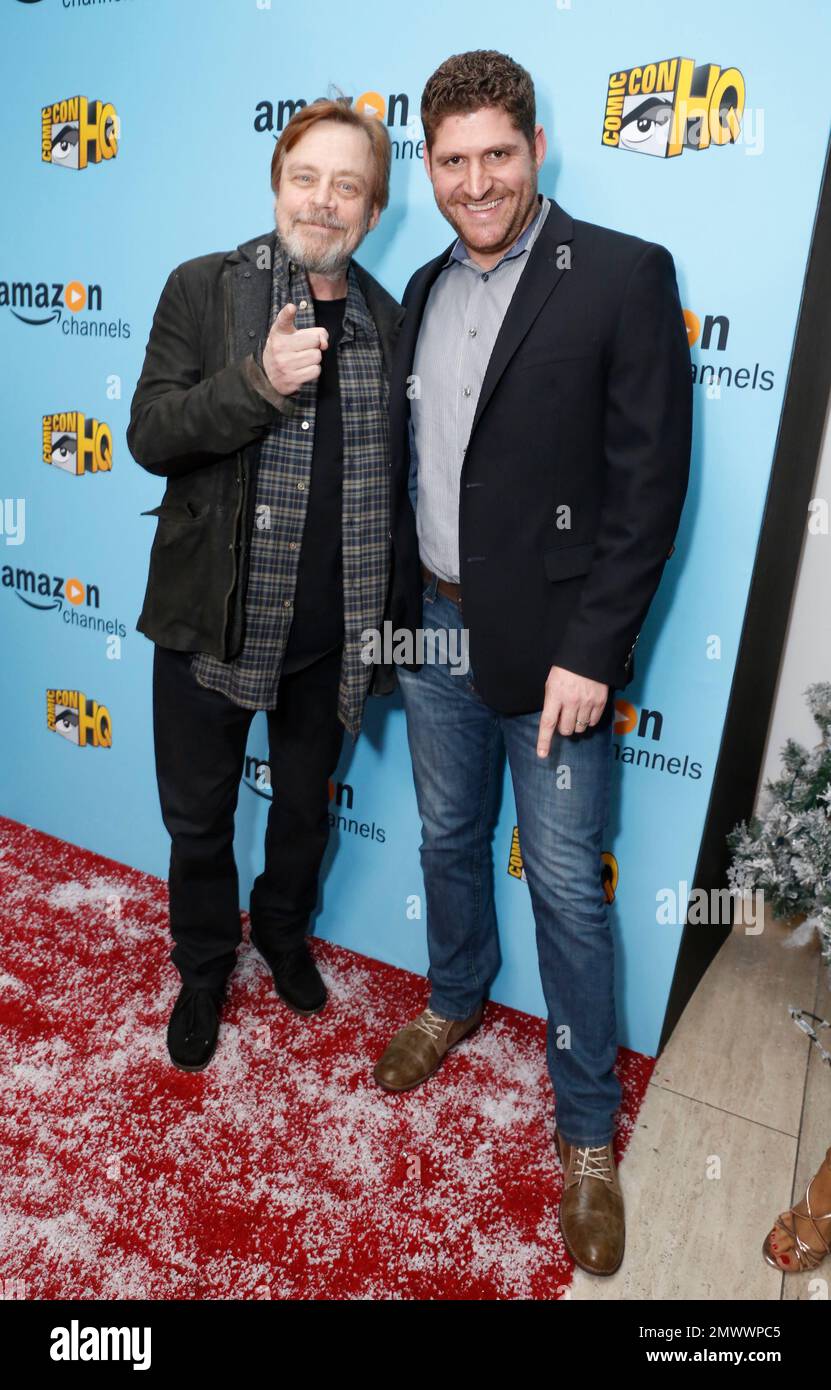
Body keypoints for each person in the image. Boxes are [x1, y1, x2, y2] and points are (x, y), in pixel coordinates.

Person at [377, 50, 693, 1277]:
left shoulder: (619, 274)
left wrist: (593, 651)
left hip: (558, 661)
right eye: (450, 162)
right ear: (433, 168)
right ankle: (456, 995)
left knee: (566, 882)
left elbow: (647, 488)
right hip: (436, 630)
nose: (474, 182)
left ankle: (586, 1133)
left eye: (495, 155)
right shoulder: (419, 283)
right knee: (448, 835)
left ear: (537, 148)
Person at [127, 100, 403, 1073]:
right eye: (307, 177)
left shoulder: (388, 319)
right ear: (277, 182)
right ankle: (204, 968)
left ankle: (282, 934)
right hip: (214, 623)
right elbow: (152, 434)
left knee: (302, 809)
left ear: (373, 210)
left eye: (348, 186)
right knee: (198, 818)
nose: (323, 201)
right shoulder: (205, 289)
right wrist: (256, 380)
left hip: (330, 637)